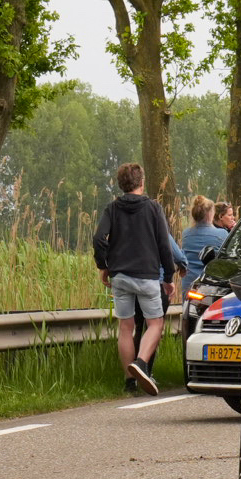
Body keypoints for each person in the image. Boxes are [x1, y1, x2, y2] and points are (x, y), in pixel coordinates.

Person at [93, 162, 175, 396]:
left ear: (121, 184)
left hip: (120, 276)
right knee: (155, 324)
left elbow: (99, 238)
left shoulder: (112, 208)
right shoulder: (153, 208)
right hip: (147, 276)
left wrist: (104, 266)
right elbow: (164, 245)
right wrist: (168, 276)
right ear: (142, 182)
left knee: (125, 327)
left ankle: (129, 383)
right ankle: (141, 363)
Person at [180, 194, 229, 287]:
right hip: (211, 283)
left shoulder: (186, 234)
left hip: (189, 283)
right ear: (211, 214)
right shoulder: (222, 234)